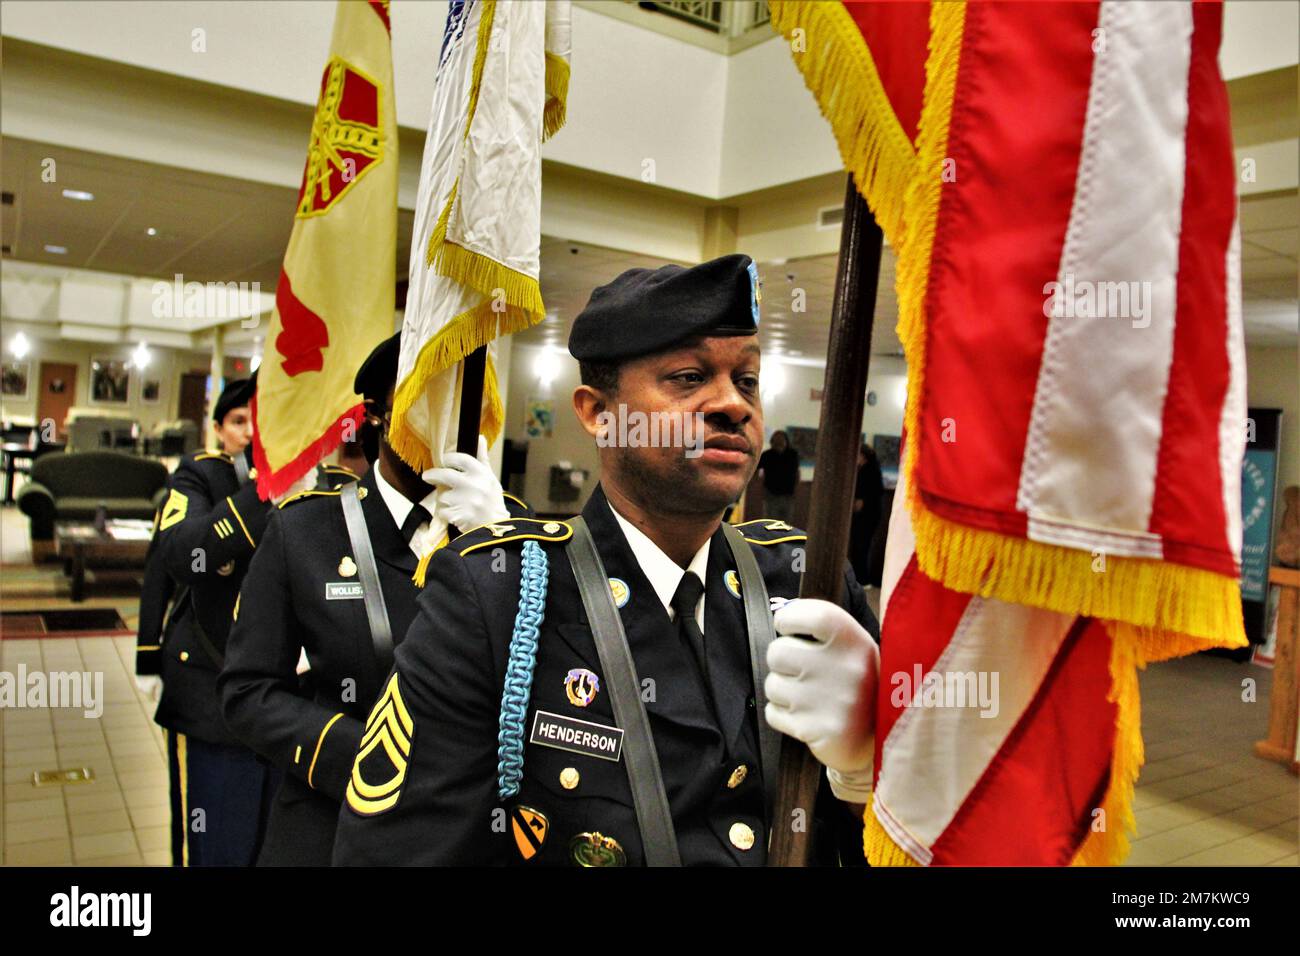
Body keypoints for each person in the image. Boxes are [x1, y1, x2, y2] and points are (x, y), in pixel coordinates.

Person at [332, 253, 881, 866]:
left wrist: (868, 774)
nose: (733, 404)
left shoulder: (808, 583)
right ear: (599, 414)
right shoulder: (499, 595)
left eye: (747, 380)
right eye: (688, 377)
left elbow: (919, 837)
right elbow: (396, 852)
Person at [218, 332, 529, 865]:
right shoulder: (307, 530)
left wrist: (499, 543)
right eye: (426, 406)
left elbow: (547, 679)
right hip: (333, 822)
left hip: (470, 831)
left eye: (462, 407)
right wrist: (364, 755)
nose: (448, 425)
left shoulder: (513, 531)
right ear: (380, 416)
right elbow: (247, 691)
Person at [134, 374, 276, 866]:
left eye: (258, 420)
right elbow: (173, 556)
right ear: (219, 429)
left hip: (282, 700)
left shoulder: (316, 482)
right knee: (215, 845)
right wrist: (146, 654)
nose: (249, 432)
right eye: (239, 422)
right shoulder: (200, 474)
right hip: (208, 687)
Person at [850, 442, 883, 586]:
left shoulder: (872, 470)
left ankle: (863, 579)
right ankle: (857, 577)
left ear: (863, 456)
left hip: (868, 514)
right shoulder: (860, 469)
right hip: (860, 514)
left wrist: (863, 501)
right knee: (857, 546)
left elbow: (876, 491)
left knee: (862, 546)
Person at [756, 430, 800, 522]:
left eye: (781, 440)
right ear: (772, 442)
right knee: (769, 523)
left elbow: (797, 472)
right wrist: (758, 487)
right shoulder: (766, 455)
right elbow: (756, 470)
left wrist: (796, 489)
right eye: (776, 440)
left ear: (786, 441)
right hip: (771, 494)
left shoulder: (793, 454)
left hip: (788, 495)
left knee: (787, 524)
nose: (779, 442)